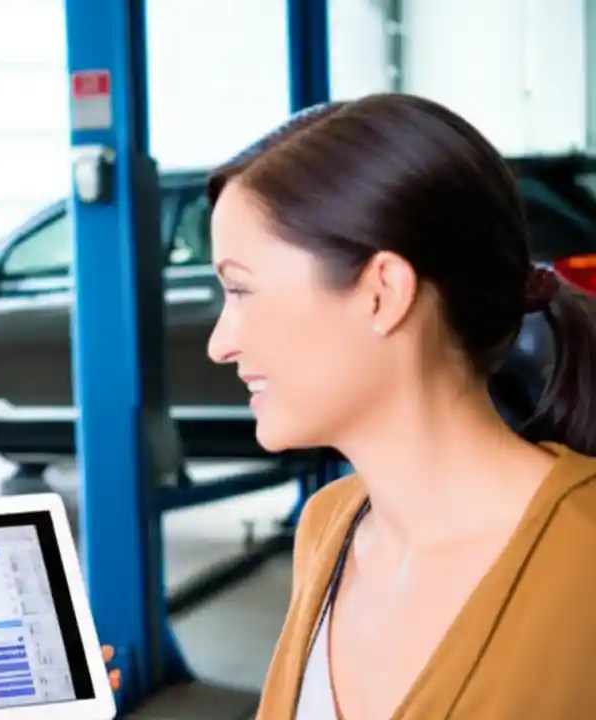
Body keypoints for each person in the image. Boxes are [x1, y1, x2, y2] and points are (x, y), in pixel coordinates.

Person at [204, 92, 596, 719]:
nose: (220, 343)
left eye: (241, 289)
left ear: (382, 293)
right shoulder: (327, 528)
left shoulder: (584, 558)